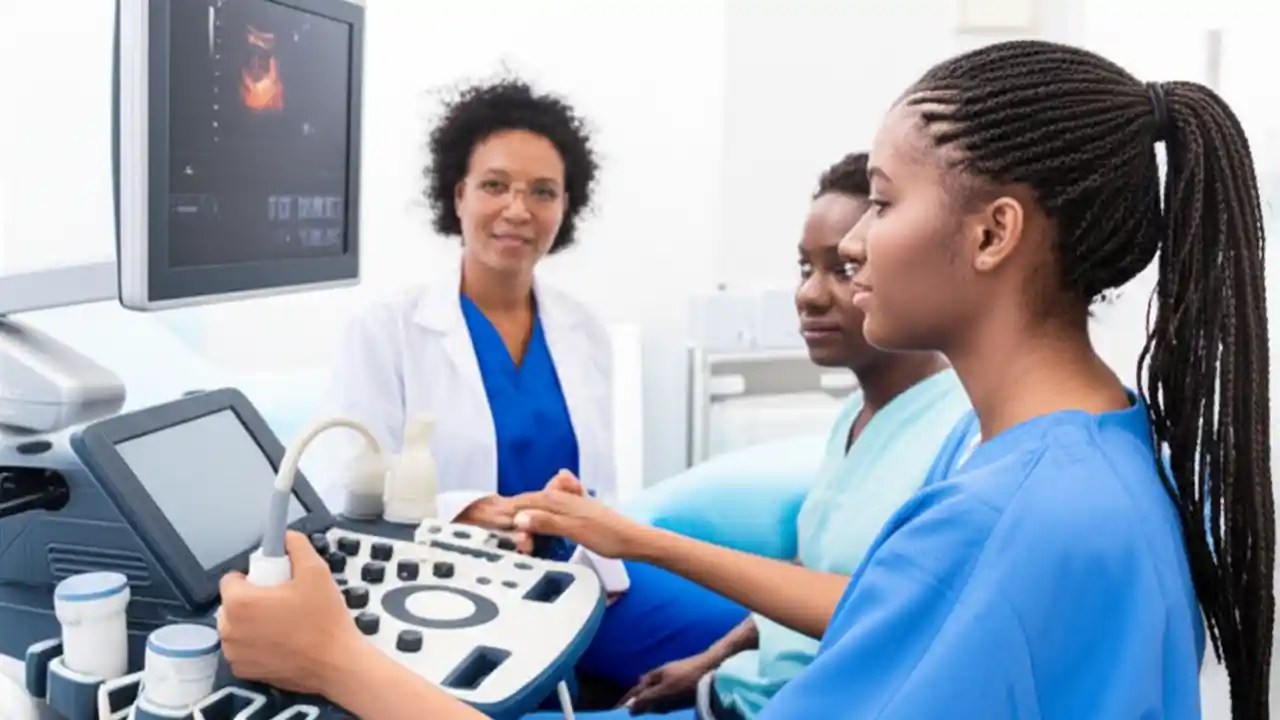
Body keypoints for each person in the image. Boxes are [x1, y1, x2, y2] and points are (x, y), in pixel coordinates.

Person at [218, 40, 1273, 720]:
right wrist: (626, 535)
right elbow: (898, 615)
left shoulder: (1004, 518)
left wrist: (336, 663)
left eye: (883, 203)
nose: (851, 249)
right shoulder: (1100, 457)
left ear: (994, 232)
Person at [311, 77, 746, 692]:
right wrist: (468, 511)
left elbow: (603, 492)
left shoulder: (585, 331)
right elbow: (341, 494)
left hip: (582, 583)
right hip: (450, 587)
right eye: (495, 185)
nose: (518, 210)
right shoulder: (387, 331)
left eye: (542, 192)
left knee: (759, 645)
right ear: (458, 194)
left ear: (565, 207)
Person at [611, 152, 969, 719]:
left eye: (846, 268)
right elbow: (806, 573)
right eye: (806, 268)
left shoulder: (960, 435)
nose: (809, 294)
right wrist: (708, 660)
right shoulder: (854, 418)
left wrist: (632, 538)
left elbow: (891, 616)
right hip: (728, 693)